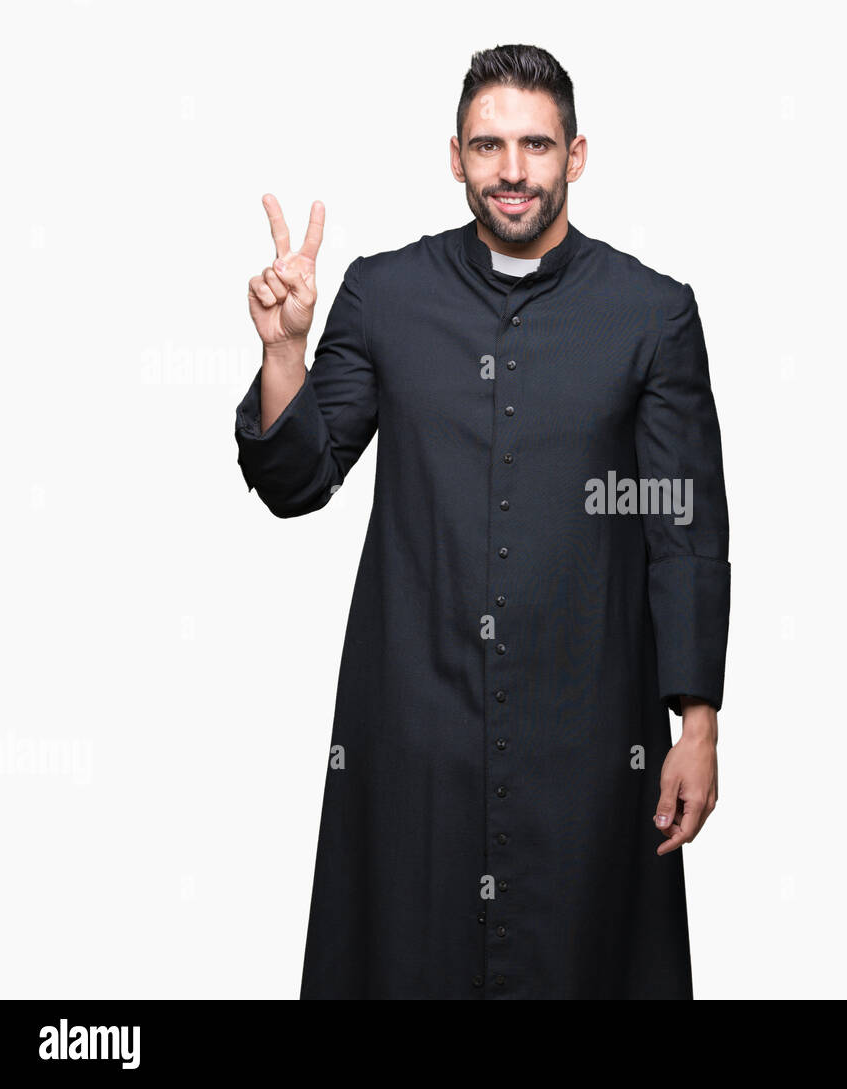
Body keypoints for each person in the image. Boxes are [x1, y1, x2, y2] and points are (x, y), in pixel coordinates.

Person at [234, 43, 730, 999]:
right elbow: (300, 480)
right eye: (488, 145)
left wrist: (697, 722)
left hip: (587, 736)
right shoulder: (384, 295)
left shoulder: (651, 313)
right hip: (417, 729)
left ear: (576, 156)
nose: (512, 170)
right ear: (453, 156)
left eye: (536, 145)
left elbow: (685, 529)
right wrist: (285, 355)